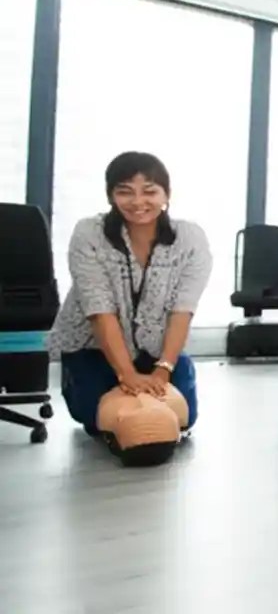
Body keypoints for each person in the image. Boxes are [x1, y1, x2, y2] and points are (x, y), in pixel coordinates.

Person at [49, 152, 212, 436]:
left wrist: (163, 369)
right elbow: (99, 310)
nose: (138, 202)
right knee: (99, 417)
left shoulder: (189, 239)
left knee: (183, 416)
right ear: (111, 195)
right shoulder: (89, 233)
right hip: (94, 347)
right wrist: (127, 374)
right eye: (125, 192)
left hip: (157, 348)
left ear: (166, 194)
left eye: (149, 191)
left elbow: (183, 310)